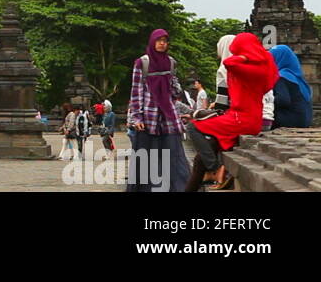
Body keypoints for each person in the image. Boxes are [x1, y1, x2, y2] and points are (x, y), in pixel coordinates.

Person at [186, 33, 279, 191]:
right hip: (252, 120)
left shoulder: (242, 68)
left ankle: (215, 169)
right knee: (208, 147)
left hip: (239, 119)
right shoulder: (262, 68)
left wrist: (243, 56)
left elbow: (229, 62)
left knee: (193, 127)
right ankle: (214, 171)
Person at [126, 29, 191, 192]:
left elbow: (175, 92)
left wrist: (174, 85)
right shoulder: (143, 63)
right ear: (152, 41)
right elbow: (136, 92)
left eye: (165, 40)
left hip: (169, 116)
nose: (162, 43)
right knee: (148, 158)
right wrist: (137, 118)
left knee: (174, 156)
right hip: (149, 117)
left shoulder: (170, 62)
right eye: (159, 40)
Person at [270, 45, 314, 128]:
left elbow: (283, 100)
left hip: (291, 121)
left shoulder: (282, 77)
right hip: (304, 121)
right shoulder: (296, 77)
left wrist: (265, 101)